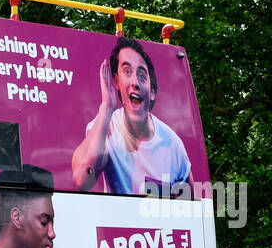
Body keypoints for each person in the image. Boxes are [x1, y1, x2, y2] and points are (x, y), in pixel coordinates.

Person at [71, 37, 191, 195]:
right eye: (127, 72)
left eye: (142, 76)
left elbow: (192, 206)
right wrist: (107, 107)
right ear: (117, 82)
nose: (135, 82)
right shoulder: (106, 126)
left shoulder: (173, 144)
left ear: (152, 92)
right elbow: (82, 179)